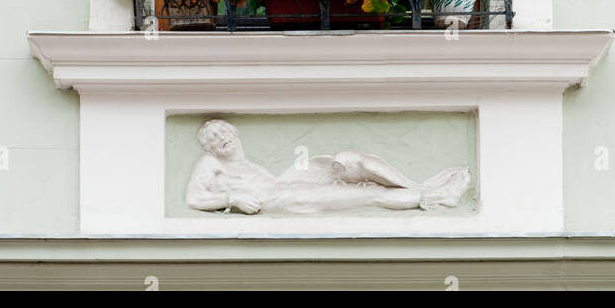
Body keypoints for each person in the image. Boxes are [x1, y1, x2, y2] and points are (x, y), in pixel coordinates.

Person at [185, 119, 470, 215]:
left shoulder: (249, 166)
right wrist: (232, 198)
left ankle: (422, 190)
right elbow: (194, 198)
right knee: (369, 195)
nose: (221, 137)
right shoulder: (209, 162)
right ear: (209, 148)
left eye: (224, 132)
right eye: (213, 138)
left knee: (362, 181)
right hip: (284, 200)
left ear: (235, 134)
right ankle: (437, 196)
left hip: (289, 191)